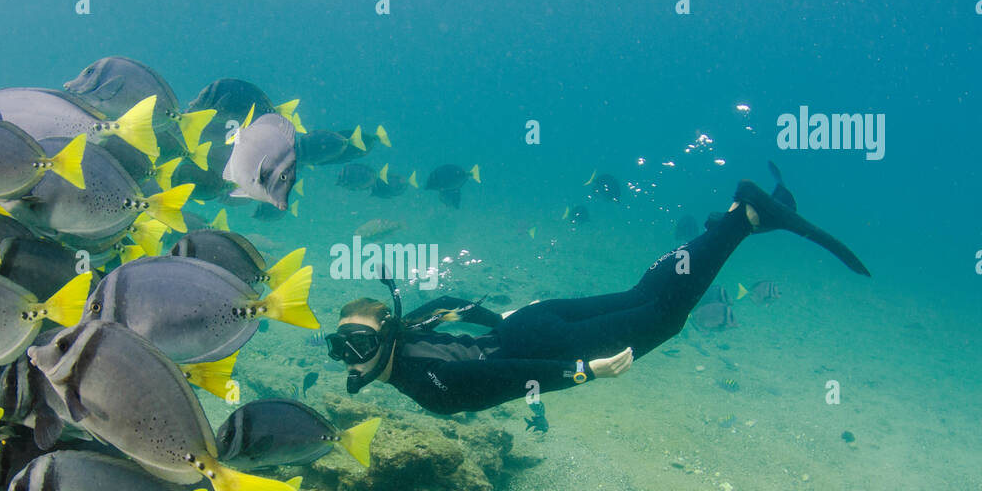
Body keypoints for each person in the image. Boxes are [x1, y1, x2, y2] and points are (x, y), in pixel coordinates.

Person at [326, 168, 870, 416]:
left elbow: (500, 378)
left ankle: (745, 214)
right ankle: (736, 220)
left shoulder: (427, 383)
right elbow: (452, 307)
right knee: (642, 295)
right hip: (530, 325)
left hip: (546, 352)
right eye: (344, 348)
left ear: (386, 333)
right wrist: (499, 319)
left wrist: (583, 372)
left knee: (663, 316)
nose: (354, 358)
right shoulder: (410, 329)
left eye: (357, 343)